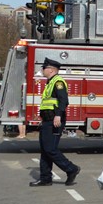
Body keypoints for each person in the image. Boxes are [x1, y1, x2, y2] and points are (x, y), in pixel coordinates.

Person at [30, 57, 82, 187]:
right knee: (45, 150)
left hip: (54, 121)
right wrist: (41, 117)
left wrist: (58, 116)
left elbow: (63, 100)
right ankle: (45, 178)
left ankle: (71, 169)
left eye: (44, 68)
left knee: (50, 149)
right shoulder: (50, 82)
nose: (42, 70)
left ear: (52, 70)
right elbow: (48, 103)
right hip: (47, 120)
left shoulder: (58, 82)